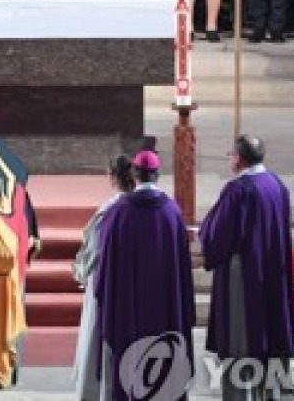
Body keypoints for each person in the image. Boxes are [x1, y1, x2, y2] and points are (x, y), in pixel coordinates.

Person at [93, 150, 194, 401]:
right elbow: (183, 265)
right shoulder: (172, 212)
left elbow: (104, 263)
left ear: (134, 174)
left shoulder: (118, 213)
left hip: (129, 313)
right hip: (165, 308)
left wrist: (100, 290)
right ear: (157, 175)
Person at [200, 135, 294, 401]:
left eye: (230, 155)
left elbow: (218, 234)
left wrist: (202, 234)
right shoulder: (277, 185)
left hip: (244, 277)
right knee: (268, 340)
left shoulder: (238, 189)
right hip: (273, 272)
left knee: (240, 346)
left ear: (239, 159)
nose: (229, 159)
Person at [71, 154, 131, 401]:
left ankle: (97, 392)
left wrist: (80, 271)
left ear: (111, 176)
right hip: (132, 286)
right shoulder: (140, 207)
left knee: (98, 341)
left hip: (105, 284)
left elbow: (94, 250)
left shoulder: (111, 210)